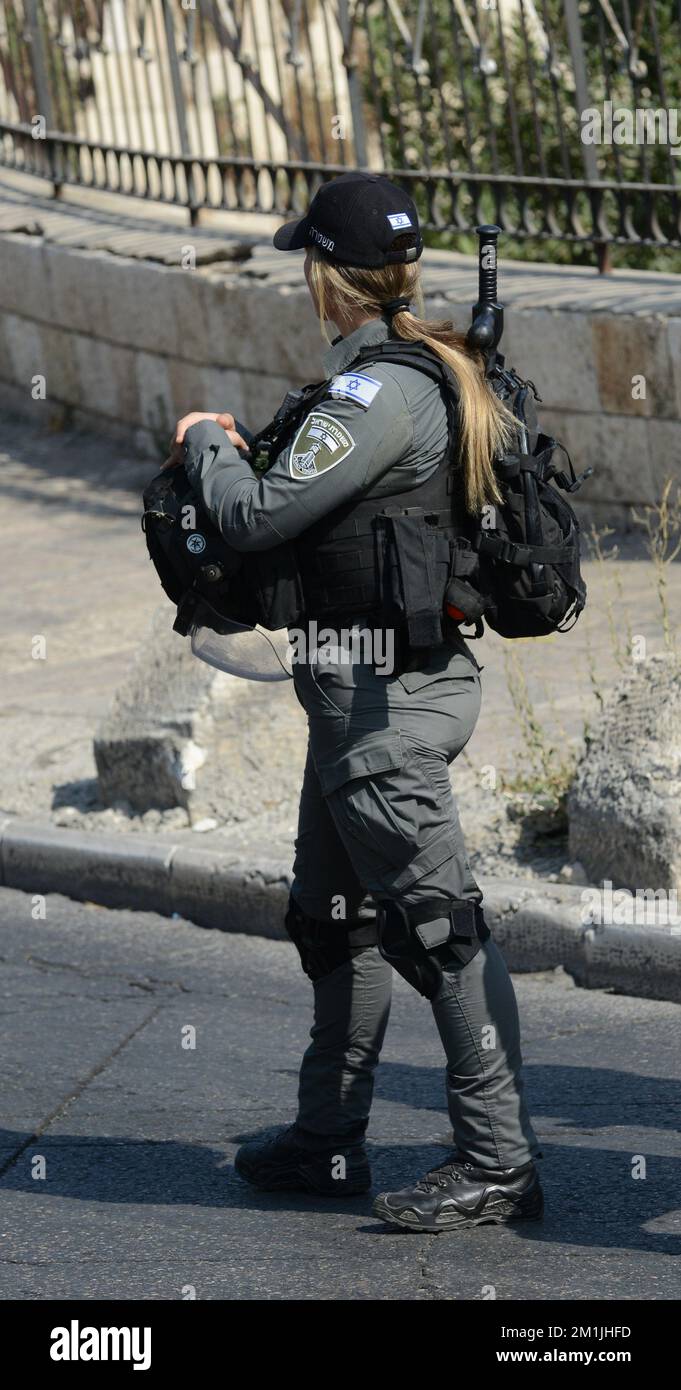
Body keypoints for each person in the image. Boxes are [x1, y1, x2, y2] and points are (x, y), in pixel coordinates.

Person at [169, 173, 543, 1233]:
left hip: (385, 708)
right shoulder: (428, 369)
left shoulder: (382, 395)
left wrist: (205, 438)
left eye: (306, 263)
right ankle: (327, 1140)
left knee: (442, 933)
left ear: (328, 277)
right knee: (337, 924)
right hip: (364, 693)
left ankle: (500, 1163)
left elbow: (248, 514)